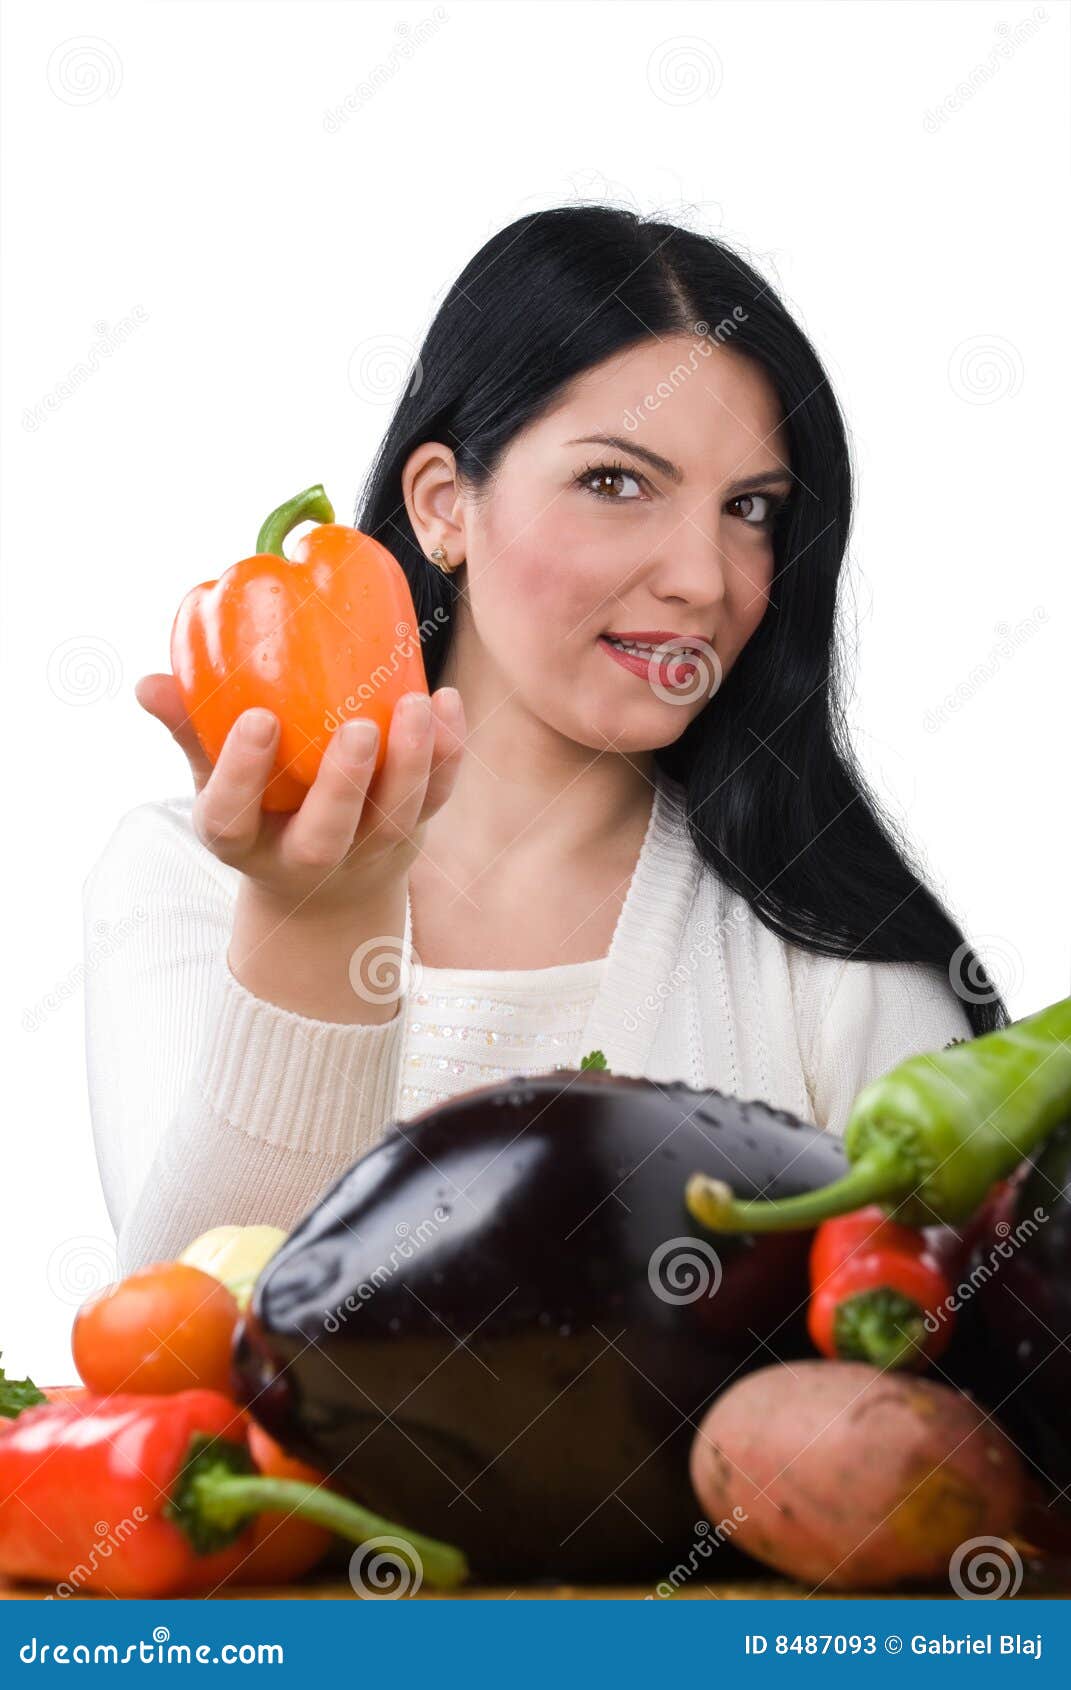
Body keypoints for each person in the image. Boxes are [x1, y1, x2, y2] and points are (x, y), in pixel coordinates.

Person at [83, 205, 1006, 1273]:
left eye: (750, 508)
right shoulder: (183, 878)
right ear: (444, 506)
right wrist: (318, 928)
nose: (701, 579)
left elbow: (963, 1351)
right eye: (615, 483)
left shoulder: (836, 961)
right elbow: (185, 1329)